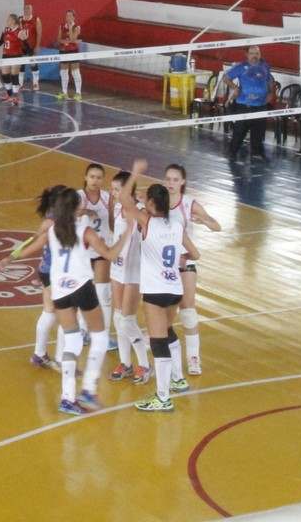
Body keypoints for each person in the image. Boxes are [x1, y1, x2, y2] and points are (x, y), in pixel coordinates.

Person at [6, 188, 125, 415]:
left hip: (60, 291)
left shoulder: (52, 231)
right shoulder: (85, 230)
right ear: (77, 208)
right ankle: (88, 389)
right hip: (82, 288)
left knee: (72, 343)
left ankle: (67, 398)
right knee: (99, 338)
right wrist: (127, 234)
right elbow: (109, 255)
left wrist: (11, 258)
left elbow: (30, 248)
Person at [118, 160, 203, 412]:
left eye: (146, 200)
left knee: (158, 342)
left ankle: (163, 397)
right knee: (168, 331)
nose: (142, 203)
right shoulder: (177, 225)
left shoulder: (148, 222)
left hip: (155, 291)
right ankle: (178, 378)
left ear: (153, 204)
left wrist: (134, 173)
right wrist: (181, 258)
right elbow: (195, 254)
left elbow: (124, 198)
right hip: (175, 289)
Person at [0, 184, 67, 372]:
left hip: (52, 270)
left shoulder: (62, 218)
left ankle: (40, 354)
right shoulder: (51, 223)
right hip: (53, 271)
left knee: (50, 310)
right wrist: (13, 257)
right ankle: (60, 359)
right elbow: (35, 243)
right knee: (65, 314)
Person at [165, 163, 221, 377]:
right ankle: (161, 342)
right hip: (164, 265)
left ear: (183, 182)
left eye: (175, 180)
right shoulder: (158, 201)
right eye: (168, 179)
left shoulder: (189, 204)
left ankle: (193, 357)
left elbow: (217, 226)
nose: (171, 183)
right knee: (166, 312)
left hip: (186, 262)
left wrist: (204, 221)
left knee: (187, 308)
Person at [107, 170, 151, 385]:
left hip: (134, 270)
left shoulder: (141, 211)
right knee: (118, 317)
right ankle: (125, 363)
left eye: (116, 189)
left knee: (127, 320)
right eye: (112, 189)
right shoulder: (116, 208)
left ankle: (144, 365)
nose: (112, 193)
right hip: (117, 269)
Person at [77, 163, 113, 348]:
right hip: (82, 251)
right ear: (85, 177)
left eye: (99, 177)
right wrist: (85, 211)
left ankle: (103, 335)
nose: (95, 180)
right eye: (92, 176)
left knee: (103, 293)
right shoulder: (78, 196)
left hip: (101, 250)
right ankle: (83, 329)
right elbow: (67, 214)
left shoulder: (107, 198)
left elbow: (114, 222)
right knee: (83, 292)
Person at [223, 45, 276, 162]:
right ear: (247, 55)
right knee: (239, 131)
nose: (254, 56)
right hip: (245, 105)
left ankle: (256, 153)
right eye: (252, 53)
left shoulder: (264, 66)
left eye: (256, 53)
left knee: (259, 132)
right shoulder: (241, 67)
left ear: (260, 54)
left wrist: (271, 93)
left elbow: (270, 79)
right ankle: (232, 153)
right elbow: (226, 78)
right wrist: (235, 88)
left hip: (261, 105)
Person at [0, 14, 26, 106]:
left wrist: (28, 54)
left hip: (16, 56)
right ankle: (9, 93)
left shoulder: (19, 32)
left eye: (9, 20)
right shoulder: (6, 30)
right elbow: (1, 41)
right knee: (5, 75)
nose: (7, 21)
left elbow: (26, 45)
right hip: (6, 55)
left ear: (14, 21)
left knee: (14, 76)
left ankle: (15, 96)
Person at [55, 9, 82, 101]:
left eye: (70, 16)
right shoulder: (61, 26)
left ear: (74, 17)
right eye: (67, 16)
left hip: (73, 50)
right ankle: (64, 92)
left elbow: (73, 39)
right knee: (63, 72)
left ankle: (78, 93)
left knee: (75, 72)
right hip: (63, 50)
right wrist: (65, 41)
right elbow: (58, 39)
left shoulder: (77, 27)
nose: (68, 17)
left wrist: (70, 28)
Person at [19, 4, 42, 90]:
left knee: (33, 63)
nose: (26, 10)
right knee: (21, 64)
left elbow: (39, 34)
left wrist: (37, 46)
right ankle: (20, 84)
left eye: (28, 8)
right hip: (21, 46)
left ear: (32, 10)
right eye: (25, 8)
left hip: (31, 45)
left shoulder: (36, 19)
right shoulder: (20, 19)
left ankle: (35, 83)